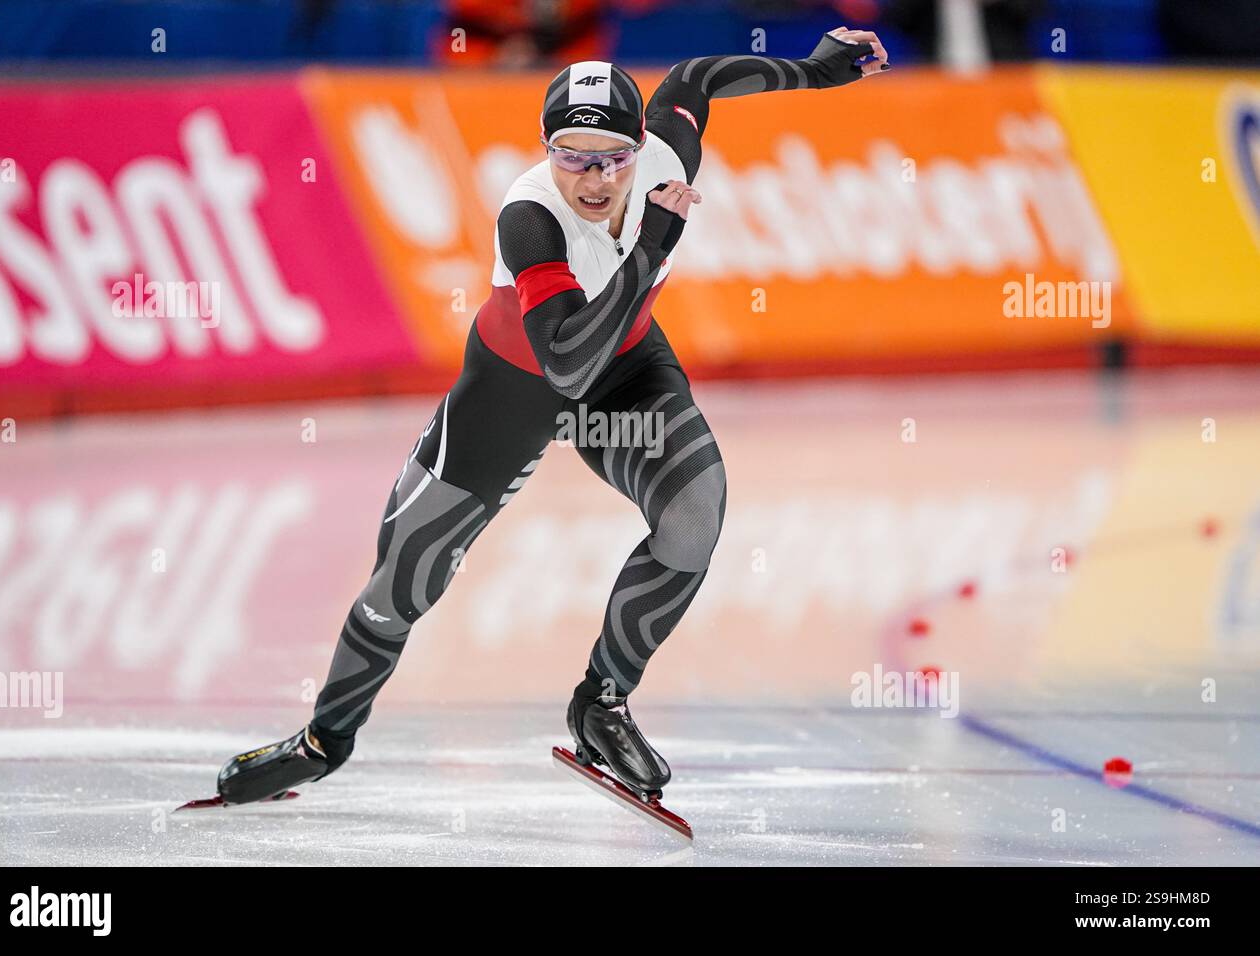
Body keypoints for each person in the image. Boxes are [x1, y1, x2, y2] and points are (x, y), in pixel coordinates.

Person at [215, 26, 889, 805]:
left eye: (613, 159)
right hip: (519, 386)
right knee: (405, 580)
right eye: (573, 156)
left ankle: (602, 702)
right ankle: (323, 741)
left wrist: (810, 71)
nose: (595, 178)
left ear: (644, 147)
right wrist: (650, 248)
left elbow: (696, 76)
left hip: (624, 371)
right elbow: (565, 359)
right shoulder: (529, 215)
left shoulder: (670, 155)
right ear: (545, 150)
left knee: (695, 511)